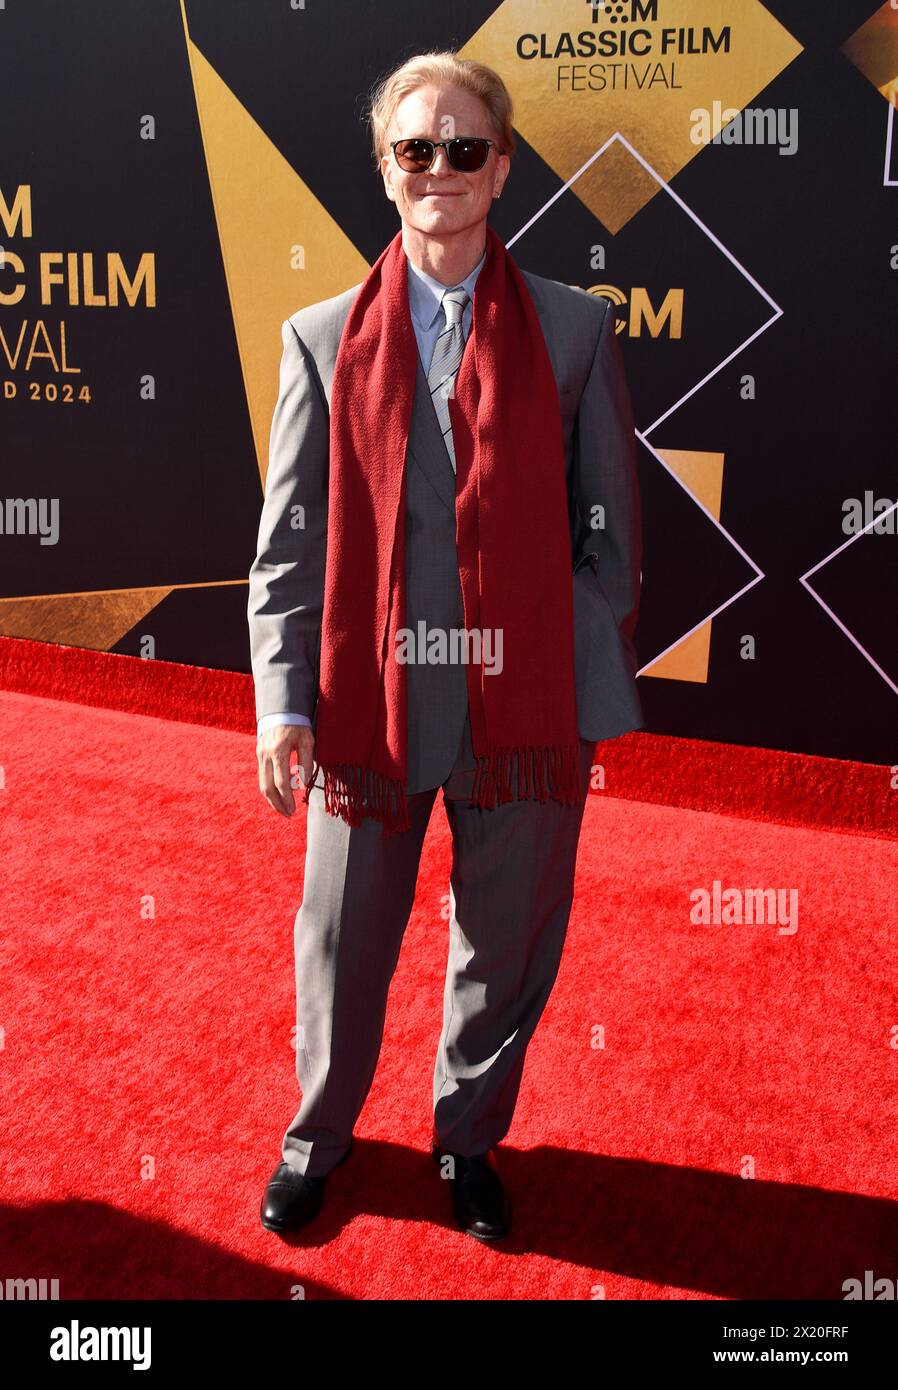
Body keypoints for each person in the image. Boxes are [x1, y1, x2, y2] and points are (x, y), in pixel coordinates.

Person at [247, 49, 643, 1242]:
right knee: (337, 941)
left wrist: (567, 679)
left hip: (519, 713)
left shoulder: (574, 332)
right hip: (368, 705)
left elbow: (608, 533)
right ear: (385, 171)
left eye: (463, 147)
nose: (440, 169)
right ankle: (317, 1139)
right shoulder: (319, 337)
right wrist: (283, 704)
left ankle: (466, 1142)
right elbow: (285, 547)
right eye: (414, 148)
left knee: (506, 945)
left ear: (503, 166)